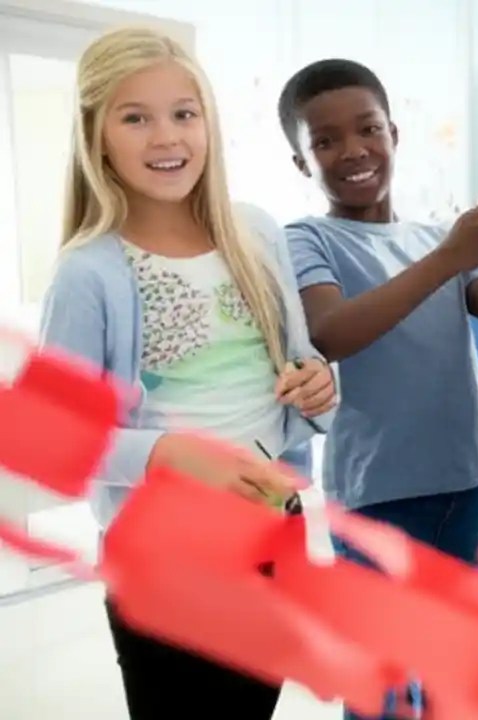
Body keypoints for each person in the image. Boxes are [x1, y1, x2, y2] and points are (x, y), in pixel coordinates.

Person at [39, 27, 336, 720]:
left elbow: (300, 367)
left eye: (184, 112)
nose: (166, 136)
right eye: (135, 117)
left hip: (271, 531)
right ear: (97, 136)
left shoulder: (258, 233)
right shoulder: (89, 272)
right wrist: (167, 455)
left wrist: (320, 383)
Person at [277, 58, 478, 719]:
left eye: (367, 130)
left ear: (394, 133)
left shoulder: (428, 236)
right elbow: (331, 333)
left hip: (462, 482)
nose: (353, 151)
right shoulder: (308, 239)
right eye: (325, 141)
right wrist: (451, 254)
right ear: (302, 163)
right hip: (376, 494)